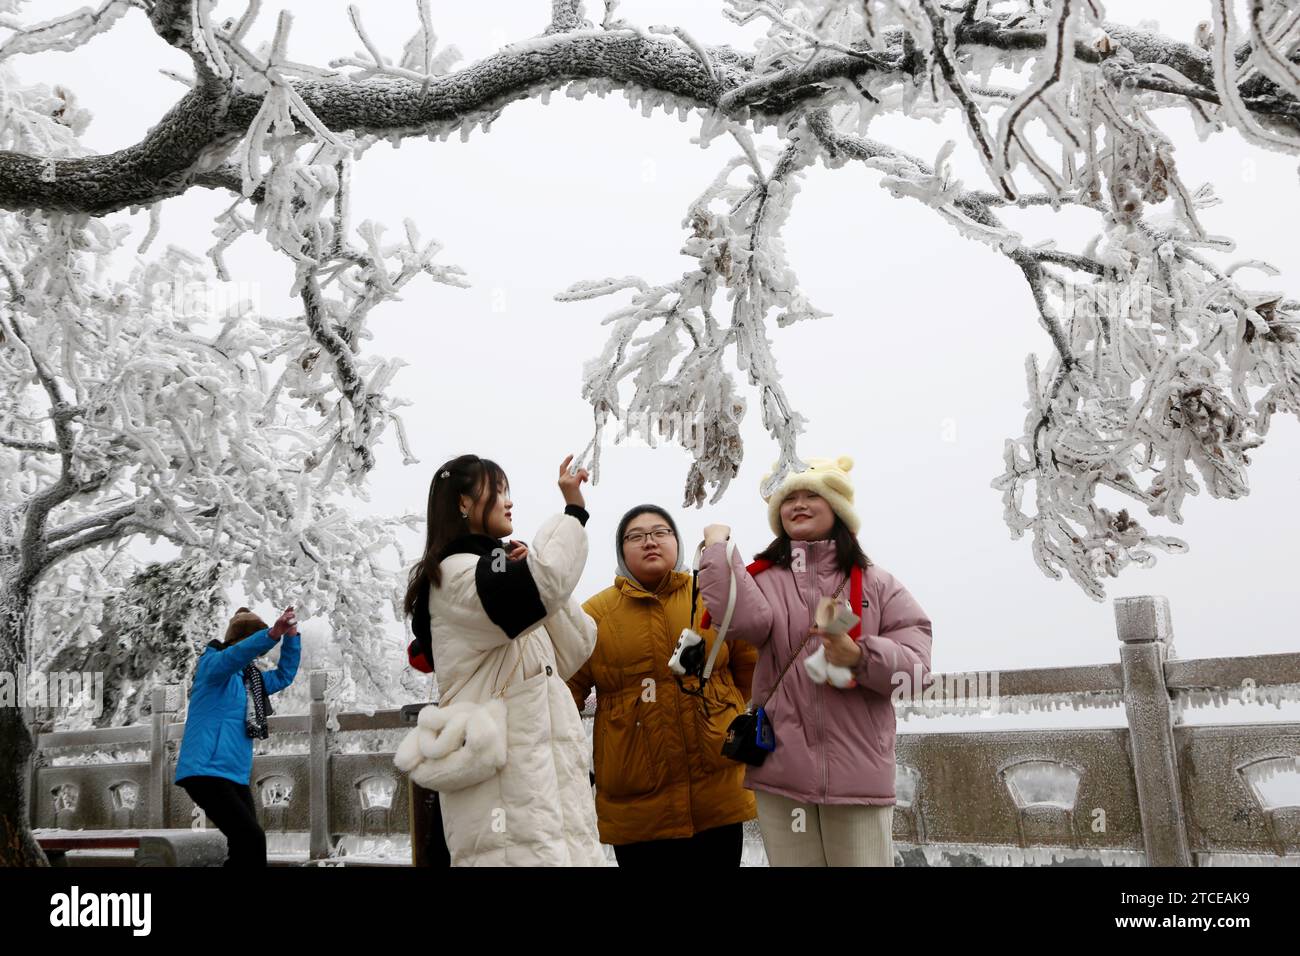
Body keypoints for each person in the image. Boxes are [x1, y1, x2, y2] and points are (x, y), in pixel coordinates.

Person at [697, 456, 932, 866]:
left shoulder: (878, 584)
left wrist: (860, 656)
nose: (798, 505)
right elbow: (739, 619)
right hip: (781, 775)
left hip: (858, 779)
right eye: (789, 499)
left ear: (838, 510)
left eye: (811, 496)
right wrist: (716, 549)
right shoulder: (763, 579)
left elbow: (916, 673)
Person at [400, 453, 604, 866]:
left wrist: (530, 566)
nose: (509, 502)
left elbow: (579, 645)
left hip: (549, 786)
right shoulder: (455, 576)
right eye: (499, 491)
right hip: (505, 794)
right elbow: (540, 589)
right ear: (462, 502)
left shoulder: (496, 576)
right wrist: (573, 512)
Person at [568, 504, 757, 866]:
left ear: (678, 542)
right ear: (622, 551)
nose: (649, 542)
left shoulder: (711, 597)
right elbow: (567, 694)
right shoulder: (595, 615)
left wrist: (719, 714)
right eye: (635, 536)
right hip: (637, 806)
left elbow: (748, 668)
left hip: (716, 794)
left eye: (660, 532)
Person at [175, 605, 302, 867]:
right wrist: (270, 634)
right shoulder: (213, 667)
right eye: (253, 647)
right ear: (237, 643)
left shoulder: (251, 681)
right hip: (204, 771)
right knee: (250, 838)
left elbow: (284, 675)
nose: (256, 656)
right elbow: (235, 657)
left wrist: (290, 637)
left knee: (248, 846)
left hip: (234, 773)